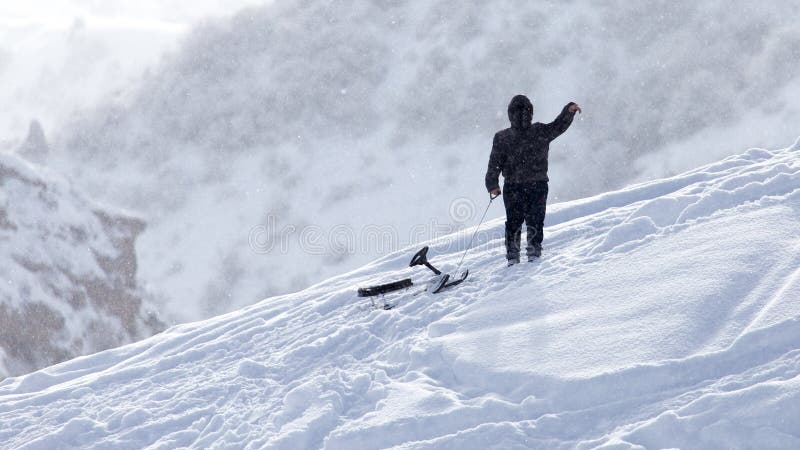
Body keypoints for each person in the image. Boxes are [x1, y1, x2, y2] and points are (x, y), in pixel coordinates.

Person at [485, 94, 581, 265]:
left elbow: (494, 164)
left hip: (514, 187)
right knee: (535, 220)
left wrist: (493, 184)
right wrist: (568, 111)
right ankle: (533, 252)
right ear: (531, 113)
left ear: (509, 114)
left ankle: (513, 256)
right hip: (537, 185)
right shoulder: (539, 131)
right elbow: (558, 126)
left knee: (514, 222)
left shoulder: (502, 137)